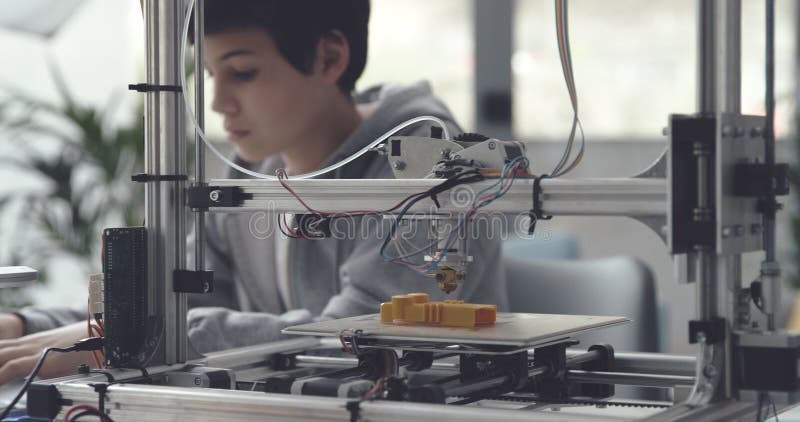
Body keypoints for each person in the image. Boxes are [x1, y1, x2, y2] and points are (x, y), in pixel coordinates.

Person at [0, 0, 507, 383]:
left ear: (329, 57)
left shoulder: (438, 162)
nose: (217, 102)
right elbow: (177, 303)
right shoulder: (249, 174)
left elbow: (362, 338)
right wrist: (26, 325)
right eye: (210, 74)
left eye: (242, 72)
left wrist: (138, 340)